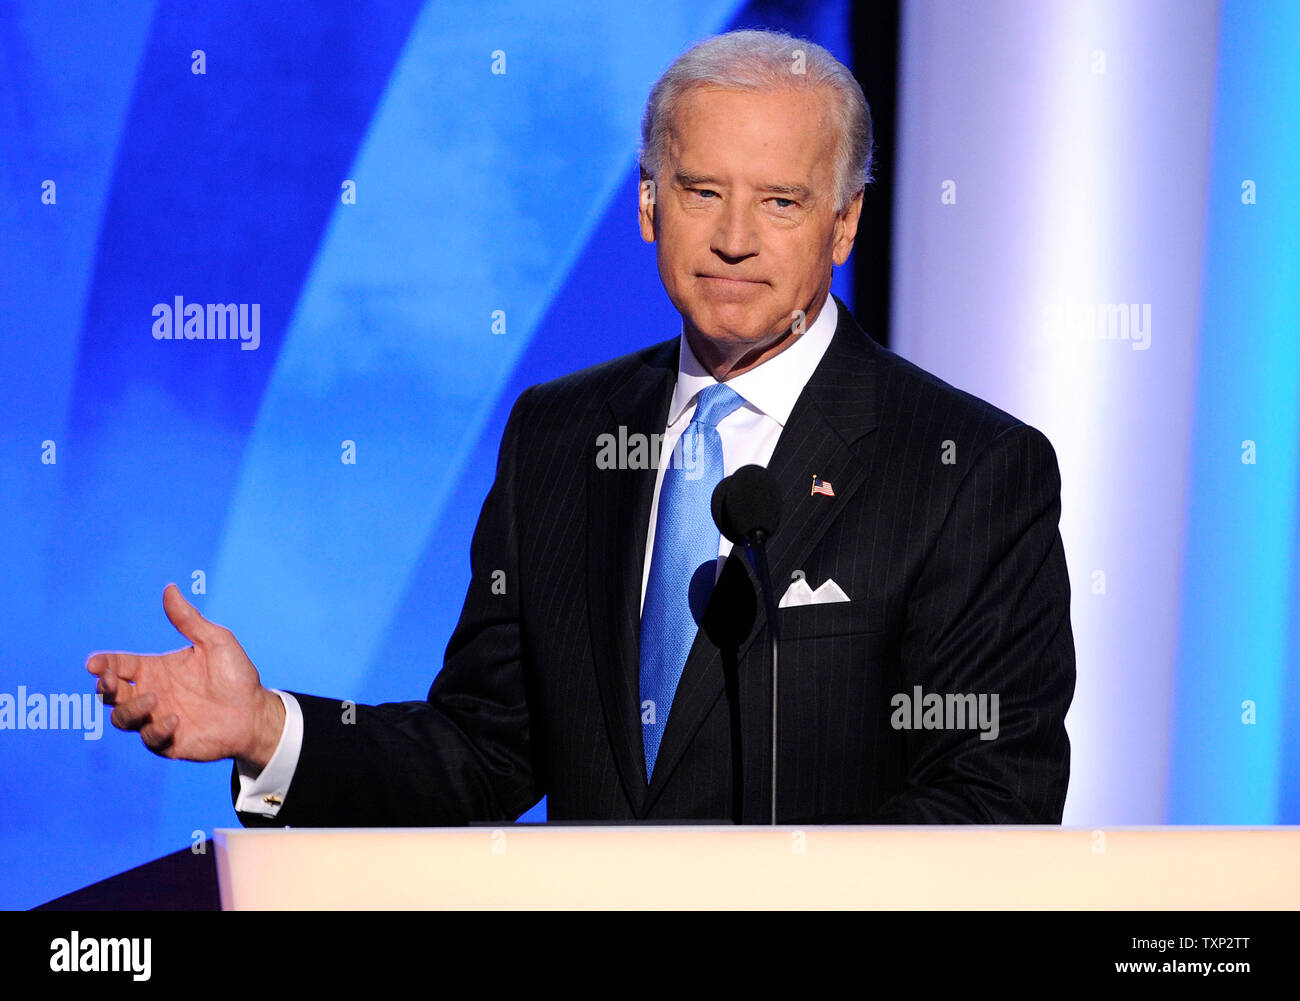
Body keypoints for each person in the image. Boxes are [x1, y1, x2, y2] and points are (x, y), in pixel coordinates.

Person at [88, 29, 1075, 825]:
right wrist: (268, 726)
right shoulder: (561, 434)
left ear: (845, 222)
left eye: (780, 201)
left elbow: (990, 798)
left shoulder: (966, 468)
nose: (734, 237)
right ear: (649, 203)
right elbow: (485, 748)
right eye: (700, 192)